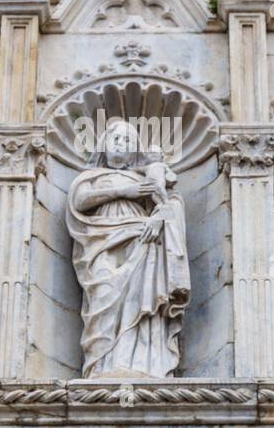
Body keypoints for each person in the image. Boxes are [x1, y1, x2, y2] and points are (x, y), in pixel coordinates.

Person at [66, 119, 190, 378]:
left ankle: (140, 364)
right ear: (104, 144)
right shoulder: (91, 177)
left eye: (128, 141)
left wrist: (158, 219)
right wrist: (124, 190)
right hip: (101, 244)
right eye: (116, 139)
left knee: (141, 300)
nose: (121, 144)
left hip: (142, 242)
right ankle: (101, 366)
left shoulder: (145, 177)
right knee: (104, 292)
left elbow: (169, 204)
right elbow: (80, 200)